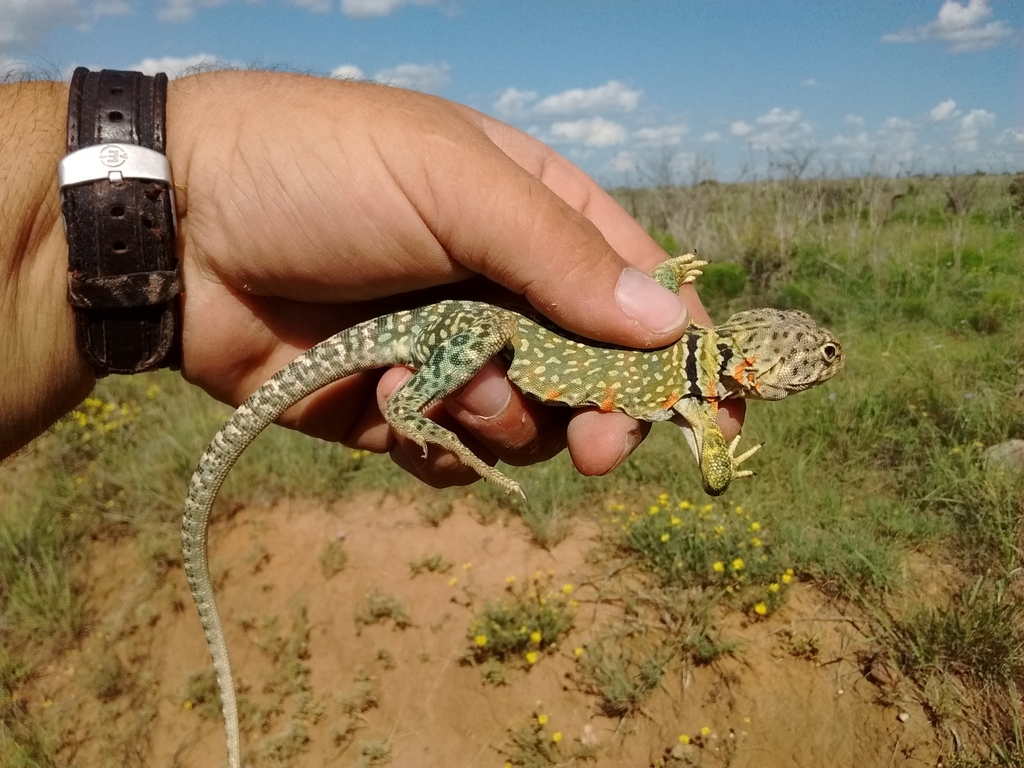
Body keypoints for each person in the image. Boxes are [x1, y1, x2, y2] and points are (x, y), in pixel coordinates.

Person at [0, 69, 742, 487]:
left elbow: (708, 468)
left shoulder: (694, 393)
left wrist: (166, 219)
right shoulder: (692, 380)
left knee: (485, 372)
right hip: (481, 326)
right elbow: (712, 467)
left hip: (485, 332)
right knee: (467, 362)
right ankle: (414, 409)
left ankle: (417, 406)